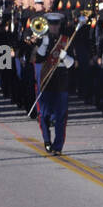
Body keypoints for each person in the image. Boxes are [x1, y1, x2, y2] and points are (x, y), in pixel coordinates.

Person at [33, 12, 75, 155]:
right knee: (43, 113)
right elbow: (38, 59)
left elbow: (72, 64)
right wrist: (43, 45)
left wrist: (66, 56)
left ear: (60, 25)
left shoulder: (66, 40)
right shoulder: (41, 39)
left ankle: (58, 146)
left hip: (61, 79)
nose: (54, 27)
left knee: (61, 115)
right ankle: (46, 139)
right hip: (46, 78)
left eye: (56, 24)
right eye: (51, 24)